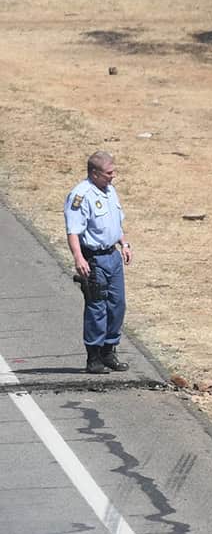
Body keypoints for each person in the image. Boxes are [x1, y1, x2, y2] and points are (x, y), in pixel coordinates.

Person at [65, 151, 133, 374]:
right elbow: (73, 231)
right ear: (94, 174)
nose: (113, 176)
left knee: (117, 305)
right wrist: (78, 258)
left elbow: (115, 223)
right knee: (97, 307)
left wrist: (124, 244)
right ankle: (93, 357)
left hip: (112, 255)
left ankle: (108, 351)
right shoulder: (80, 196)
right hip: (93, 258)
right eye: (108, 173)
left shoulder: (109, 190)